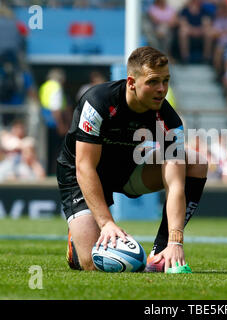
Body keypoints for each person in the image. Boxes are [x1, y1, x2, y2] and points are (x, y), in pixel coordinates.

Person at [57, 46, 208, 273]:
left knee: (195, 162)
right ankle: (77, 244)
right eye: (153, 82)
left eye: (166, 81)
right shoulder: (97, 102)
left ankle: (160, 253)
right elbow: (84, 166)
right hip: (81, 177)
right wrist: (106, 223)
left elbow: (175, 184)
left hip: (128, 169)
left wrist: (175, 241)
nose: (162, 89)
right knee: (94, 264)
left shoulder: (168, 119)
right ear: (131, 83)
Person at [39, 68, 72, 175]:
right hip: (54, 124)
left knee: (47, 150)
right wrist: (61, 125)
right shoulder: (56, 87)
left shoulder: (45, 86)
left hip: (45, 123)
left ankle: (48, 171)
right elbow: (55, 109)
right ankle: (55, 173)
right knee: (57, 150)